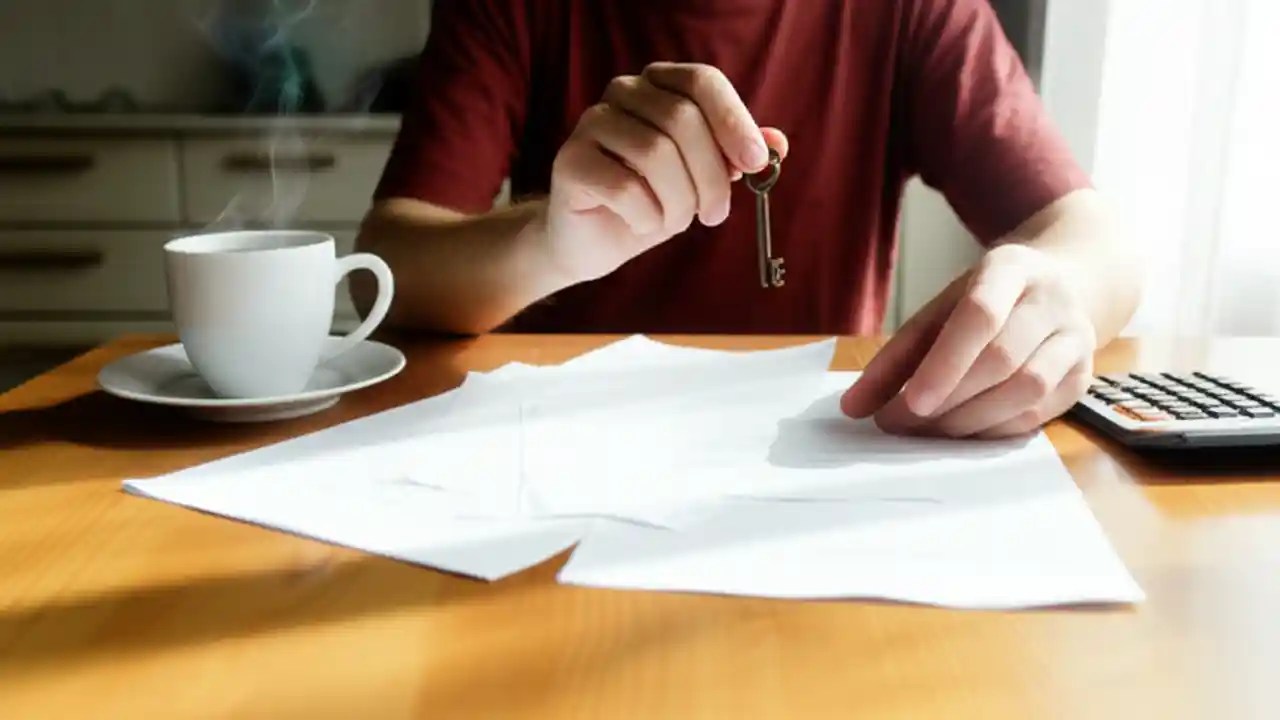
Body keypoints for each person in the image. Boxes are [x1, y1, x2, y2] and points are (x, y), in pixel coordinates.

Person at [354, 0, 1139, 439]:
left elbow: (1097, 242)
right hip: (555, 455)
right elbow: (384, 272)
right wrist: (550, 244)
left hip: (816, 460)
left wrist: (1058, 286)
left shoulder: (914, 12)